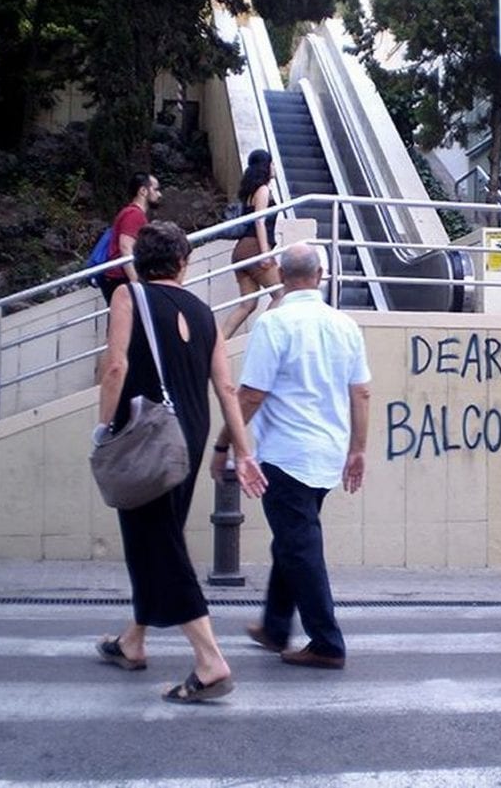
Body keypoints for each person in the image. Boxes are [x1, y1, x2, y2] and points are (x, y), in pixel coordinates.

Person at [95, 221, 267, 703]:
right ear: (184, 263)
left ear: (140, 262)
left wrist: (102, 430)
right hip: (187, 438)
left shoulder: (130, 297)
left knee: (158, 542)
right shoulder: (205, 313)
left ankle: (210, 660)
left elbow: (115, 367)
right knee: (158, 535)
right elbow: (227, 388)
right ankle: (134, 641)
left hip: (144, 435)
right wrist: (244, 451)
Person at [211, 243, 371, 670]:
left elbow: (249, 396)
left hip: (284, 453)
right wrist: (358, 448)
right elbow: (361, 392)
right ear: (320, 275)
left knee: (300, 544)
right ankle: (276, 626)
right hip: (327, 454)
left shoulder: (274, 324)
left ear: (281, 277)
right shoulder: (345, 325)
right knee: (294, 537)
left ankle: (326, 641)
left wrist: (225, 444)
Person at [221, 149, 280, 339]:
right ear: (266, 166)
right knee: (283, 294)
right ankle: (260, 337)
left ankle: (219, 343)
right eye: (272, 163)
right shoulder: (263, 190)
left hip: (241, 250)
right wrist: (265, 254)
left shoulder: (249, 193)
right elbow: (260, 221)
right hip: (255, 248)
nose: (274, 167)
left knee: (248, 304)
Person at [98, 173, 162, 305]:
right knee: (128, 321)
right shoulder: (134, 215)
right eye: (155, 189)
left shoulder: (132, 213)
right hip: (120, 278)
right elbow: (125, 247)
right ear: (143, 191)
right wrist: (136, 282)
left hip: (116, 279)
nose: (159, 194)